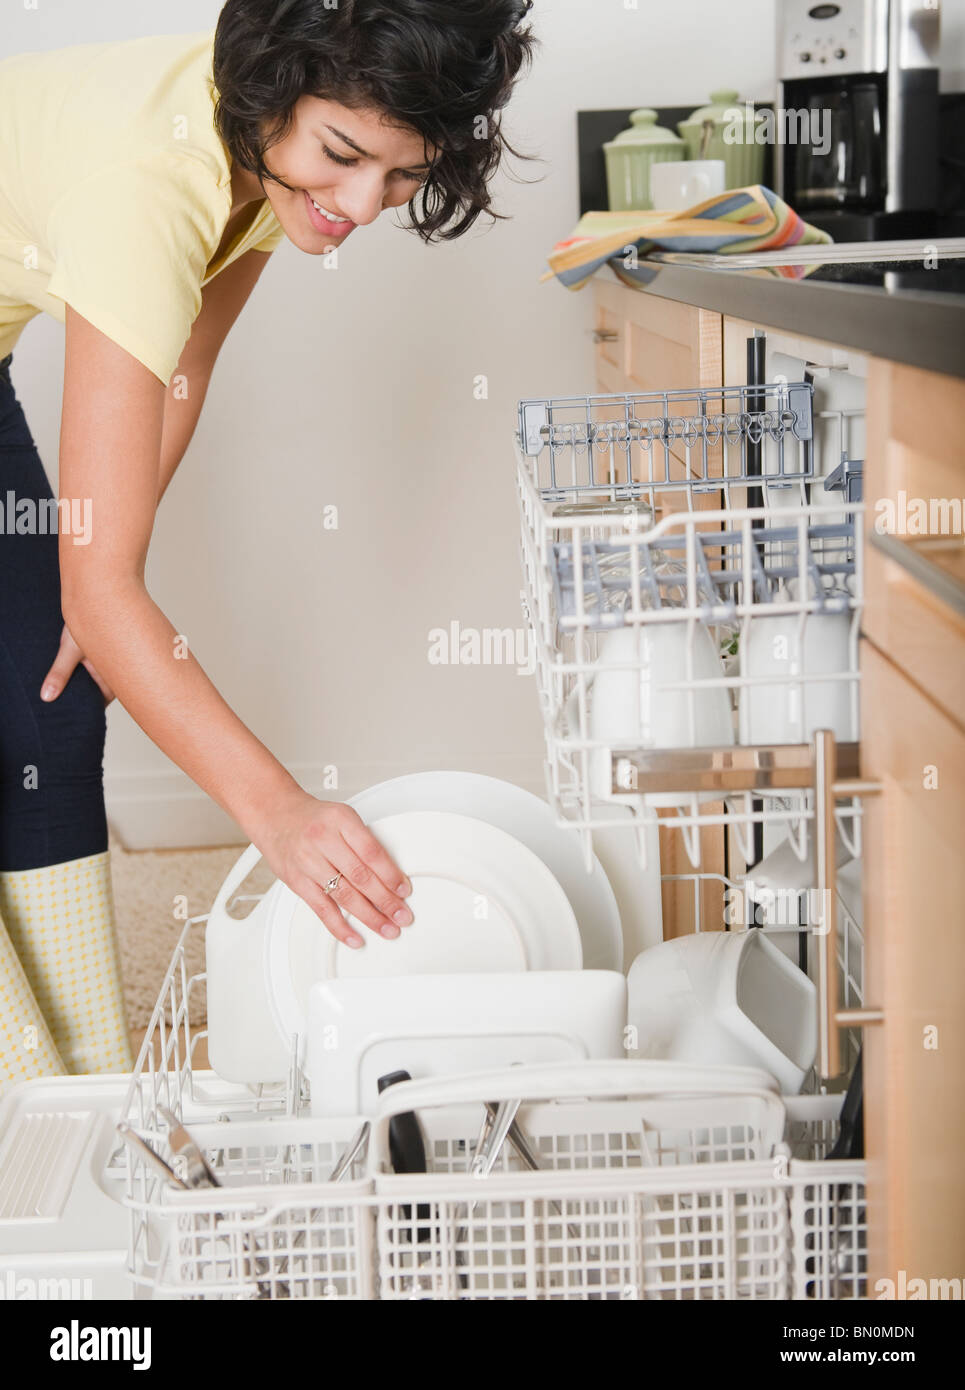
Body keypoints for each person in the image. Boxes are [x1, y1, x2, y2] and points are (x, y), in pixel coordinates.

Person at [0, 0, 536, 1089]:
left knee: (49, 705)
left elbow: (182, 368)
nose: (355, 205)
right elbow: (102, 592)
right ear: (268, 89)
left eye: (397, 177)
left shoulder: (263, 169)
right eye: (341, 157)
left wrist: (94, 586)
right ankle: (22, 1094)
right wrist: (278, 812)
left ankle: (87, 1090)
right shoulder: (152, 182)